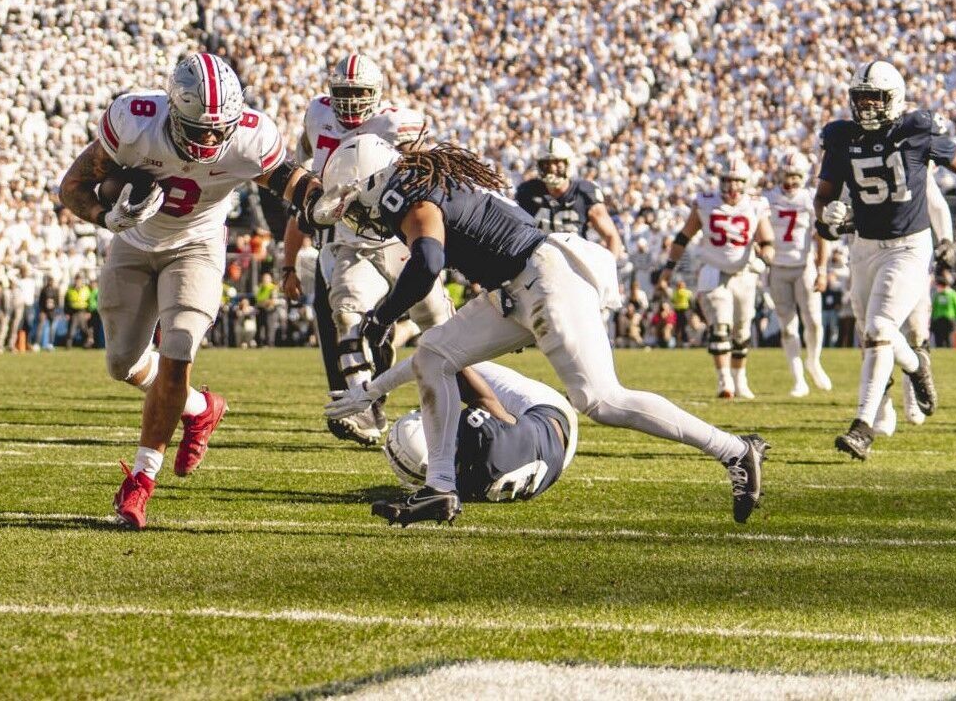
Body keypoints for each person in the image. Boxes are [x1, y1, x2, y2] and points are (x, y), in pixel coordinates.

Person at [316, 136, 766, 527]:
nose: (355, 214)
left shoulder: (406, 193)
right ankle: (439, 487)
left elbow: (428, 263)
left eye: (353, 200)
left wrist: (380, 317)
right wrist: (373, 390)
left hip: (543, 278)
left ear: (373, 179)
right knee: (435, 352)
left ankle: (733, 449)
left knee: (602, 400)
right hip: (518, 283)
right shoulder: (414, 180)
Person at [58, 52, 320, 530]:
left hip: (196, 247)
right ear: (173, 112)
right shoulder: (136, 122)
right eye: (199, 129)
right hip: (133, 245)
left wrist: (324, 200)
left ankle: (141, 481)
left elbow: (289, 180)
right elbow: (73, 186)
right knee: (122, 364)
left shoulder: (247, 135)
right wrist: (106, 217)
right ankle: (200, 407)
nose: (211, 139)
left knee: (178, 348)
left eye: (220, 128)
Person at [815, 60, 956, 460]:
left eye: (873, 98)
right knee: (871, 335)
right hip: (863, 246)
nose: (865, 106)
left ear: (892, 99)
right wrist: (826, 217)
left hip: (909, 246)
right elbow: (825, 195)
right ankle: (916, 366)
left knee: (880, 329)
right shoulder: (842, 137)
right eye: (859, 97)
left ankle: (862, 427)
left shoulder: (916, 131)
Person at [277, 53, 436, 446]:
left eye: (359, 93)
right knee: (344, 317)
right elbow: (303, 175)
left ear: (377, 93)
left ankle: (477, 397)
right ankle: (364, 408)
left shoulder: (399, 123)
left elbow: (431, 179)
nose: (349, 102)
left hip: (395, 237)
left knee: (439, 324)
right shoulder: (317, 114)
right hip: (345, 237)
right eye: (343, 93)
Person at [371, 359, 580, 504]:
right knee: (442, 354)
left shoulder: (462, 487)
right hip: (553, 416)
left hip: (556, 462)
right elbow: (447, 363)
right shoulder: (481, 434)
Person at [660, 158, 775, 400]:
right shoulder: (705, 203)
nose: (732, 187)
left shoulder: (756, 205)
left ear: (745, 184)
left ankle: (740, 379)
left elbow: (767, 241)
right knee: (720, 325)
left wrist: (765, 258)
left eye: (737, 182)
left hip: (744, 273)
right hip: (713, 270)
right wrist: (669, 267)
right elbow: (683, 237)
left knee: (742, 330)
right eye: (728, 181)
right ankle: (725, 382)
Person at [763, 151, 832, 397]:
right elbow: (757, 231)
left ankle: (814, 361)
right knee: (788, 327)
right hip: (778, 268)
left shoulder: (810, 199)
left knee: (813, 321)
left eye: (795, 176)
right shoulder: (767, 199)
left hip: (804, 267)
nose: (790, 180)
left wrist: (822, 270)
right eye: (787, 175)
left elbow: (822, 235)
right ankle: (798, 379)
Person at [515, 137, 625, 255]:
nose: (552, 169)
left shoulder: (584, 192)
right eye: (546, 164)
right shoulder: (527, 192)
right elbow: (515, 235)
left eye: (558, 163)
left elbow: (611, 236)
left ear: (568, 164)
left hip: (575, 265)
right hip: (538, 263)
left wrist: (607, 270)